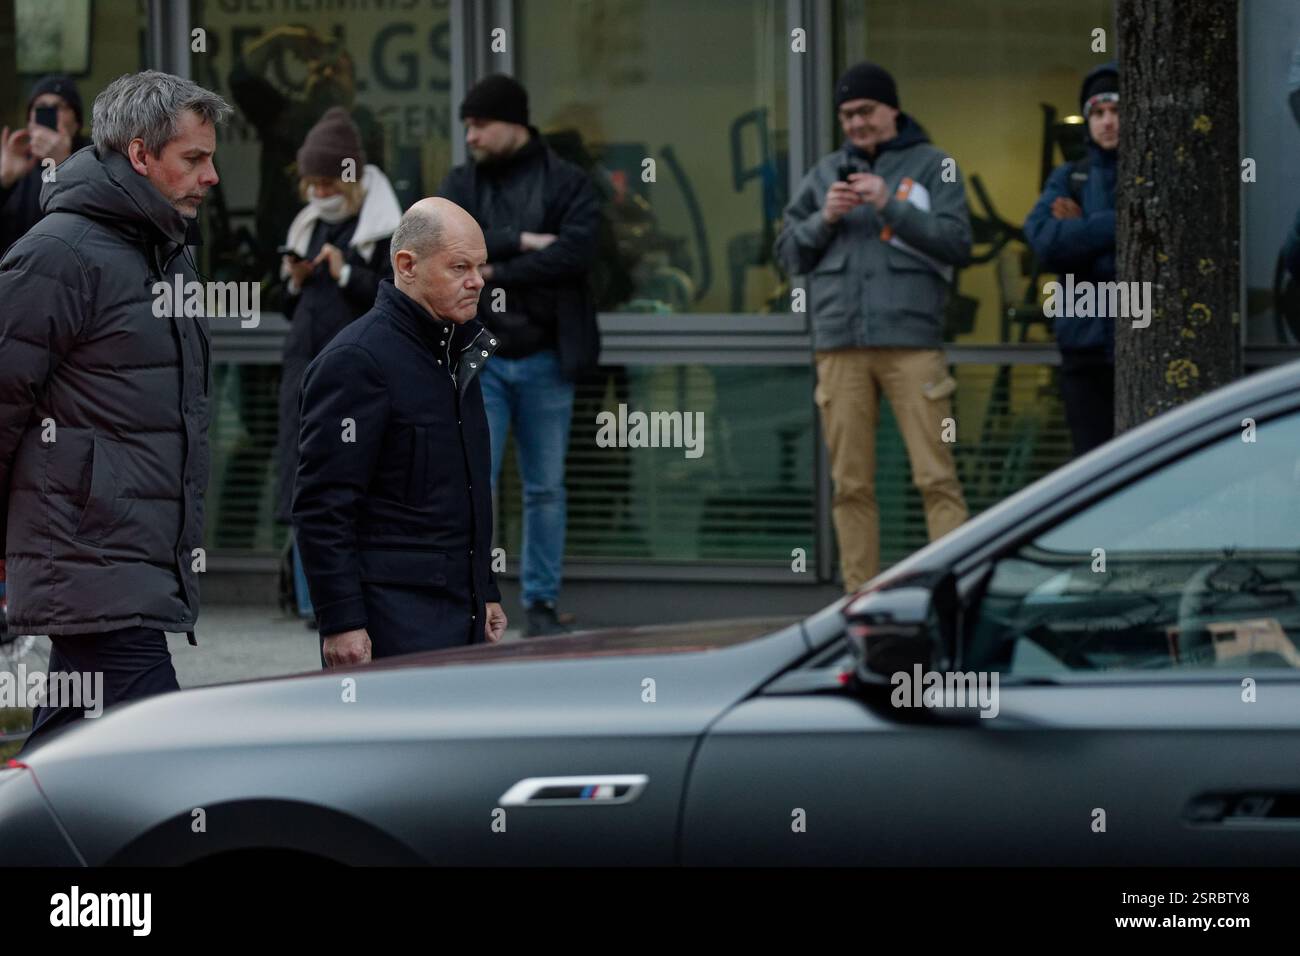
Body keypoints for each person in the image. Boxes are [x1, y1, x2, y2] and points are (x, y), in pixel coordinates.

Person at [0, 71, 230, 749]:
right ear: (139, 154)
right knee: (166, 756)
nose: (212, 176)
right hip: (91, 556)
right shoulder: (56, 255)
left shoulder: (167, 256)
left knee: (73, 762)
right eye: (194, 158)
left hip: (128, 558)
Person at [774, 61, 972, 594]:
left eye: (865, 111)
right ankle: (858, 599)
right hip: (840, 347)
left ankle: (944, 592)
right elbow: (789, 255)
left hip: (913, 345)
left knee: (936, 477)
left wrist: (892, 205)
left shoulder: (934, 165)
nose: (856, 123)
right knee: (850, 485)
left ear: (893, 110)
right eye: (847, 115)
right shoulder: (822, 175)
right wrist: (824, 219)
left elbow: (958, 243)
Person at [293, 198, 508, 665]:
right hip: (392, 625)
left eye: (480, 266)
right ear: (406, 266)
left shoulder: (458, 352)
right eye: (460, 267)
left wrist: (484, 591)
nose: (477, 281)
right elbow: (323, 506)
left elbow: (463, 495)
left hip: (459, 616)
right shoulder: (357, 361)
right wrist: (342, 621)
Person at [437, 74, 601, 637]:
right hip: (479, 357)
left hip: (547, 357)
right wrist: (523, 241)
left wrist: (495, 267)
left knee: (545, 488)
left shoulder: (567, 181)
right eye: (467, 125)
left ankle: (541, 606)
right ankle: (471, 600)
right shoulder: (461, 182)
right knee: (471, 483)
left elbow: (578, 253)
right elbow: (447, 251)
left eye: (480, 124)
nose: (471, 135)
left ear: (515, 123)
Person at [274, 107, 400, 623]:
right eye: (311, 182)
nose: (317, 192)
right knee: (305, 483)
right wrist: (297, 281)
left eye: (327, 180)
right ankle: (311, 602)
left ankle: (347, 602)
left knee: (350, 485)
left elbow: (392, 299)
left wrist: (346, 271)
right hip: (303, 369)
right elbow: (288, 308)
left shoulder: (387, 227)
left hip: (356, 374)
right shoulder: (305, 226)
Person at [1025, 62, 1119, 457]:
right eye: (1097, 113)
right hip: (1082, 349)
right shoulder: (1069, 177)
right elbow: (1043, 240)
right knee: (1093, 468)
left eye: (1117, 110)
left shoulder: (1152, 175)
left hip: (1134, 337)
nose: (1108, 122)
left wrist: (1082, 235)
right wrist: (1116, 229)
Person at [0, 74, 91, 256]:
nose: (49, 112)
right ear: (30, 120)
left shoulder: (93, 159)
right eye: (40, 107)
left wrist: (65, 165)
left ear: (77, 122)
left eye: (59, 106)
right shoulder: (15, 157)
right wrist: (4, 183)